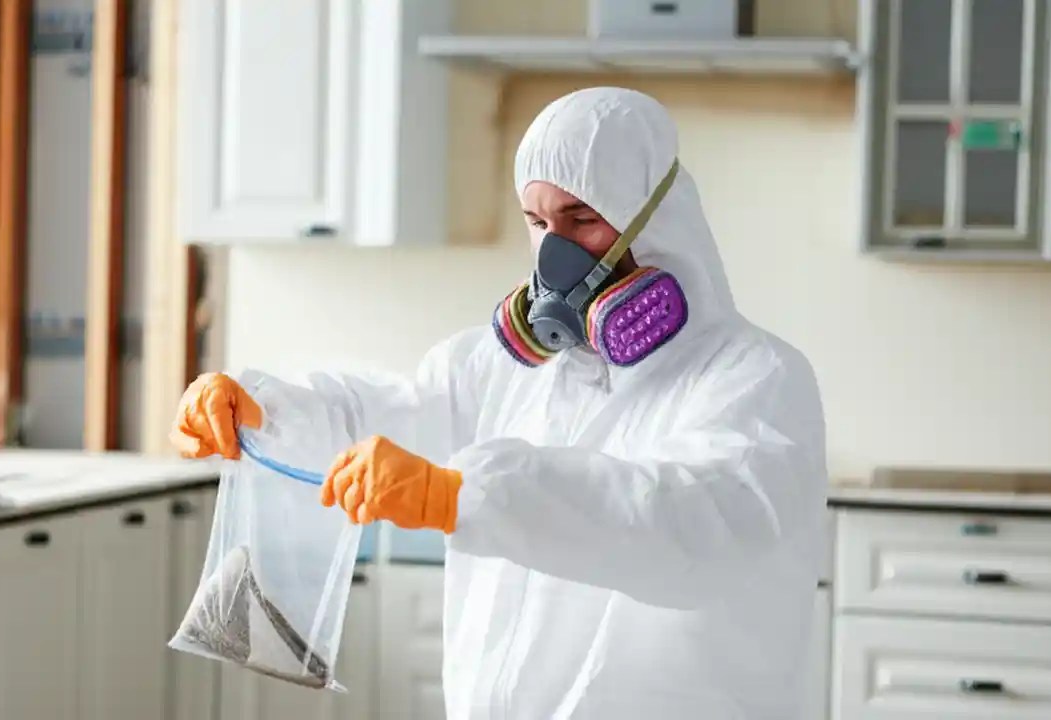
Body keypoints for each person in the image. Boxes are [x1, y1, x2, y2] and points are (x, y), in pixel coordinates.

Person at [171, 87, 827, 719]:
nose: (554, 253)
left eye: (581, 220)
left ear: (657, 224)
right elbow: (397, 414)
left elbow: (689, 525)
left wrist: (471, 495)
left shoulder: (755, 378)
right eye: (538, 223)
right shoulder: (501, 367)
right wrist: (266, 412)